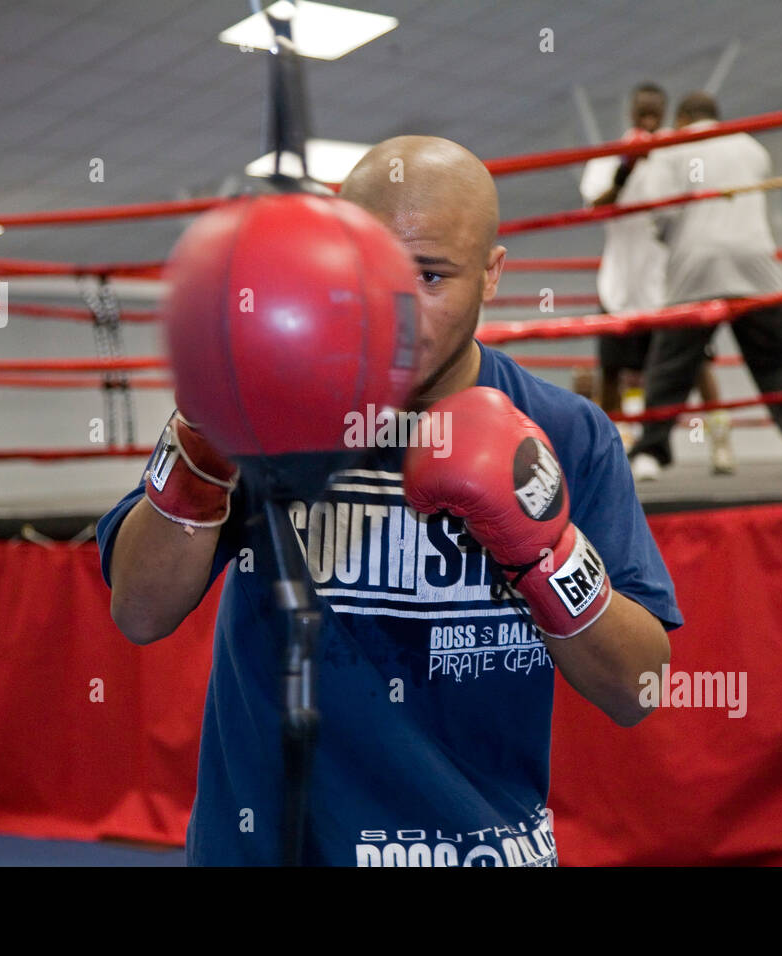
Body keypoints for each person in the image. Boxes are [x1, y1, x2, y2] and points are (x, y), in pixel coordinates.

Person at [97, 135, 682, 867]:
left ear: (493, 275)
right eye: (373, 275)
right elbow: (140, 612)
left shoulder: (565, 431)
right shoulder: (271, 404)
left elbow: (640, 688)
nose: (399, 313)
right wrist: (203, 450)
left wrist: (546, 552)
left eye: (431, 276)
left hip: (486, 851)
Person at [623, 92, 782, 480]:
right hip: (754, 261)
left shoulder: (671, 148)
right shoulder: (751, 147)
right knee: (780, 358)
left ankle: (650, 455)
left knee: (672, 364)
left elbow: (660, 211)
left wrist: (670, 235)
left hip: (696, 262)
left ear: (684, 118)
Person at [577, 82, 734, 474]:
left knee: (696, 364)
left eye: (654, 113)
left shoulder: (678, 154)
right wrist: (626, 169)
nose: (648, 119)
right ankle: (610, 453)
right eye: (642, 112)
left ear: (663, 113)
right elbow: (597, 208)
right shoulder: (607, 158)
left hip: (670, 279)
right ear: (632, 112)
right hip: (620, 281)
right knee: (610, 371)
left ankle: (720, 440)